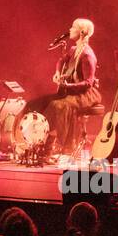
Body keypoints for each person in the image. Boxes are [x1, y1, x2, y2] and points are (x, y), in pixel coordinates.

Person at [32, 19, 102, 159]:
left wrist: (68, 86)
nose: (69, 29)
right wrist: (57, 73)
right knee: (39, 102)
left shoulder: (87, 55)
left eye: (73, 27)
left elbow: (88, 83)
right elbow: (61, 61)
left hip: (85, 94)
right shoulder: (73, 49)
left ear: (82, 32)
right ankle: (36, 141)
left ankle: (49, 148)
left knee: (57, 106)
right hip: (72, 92)